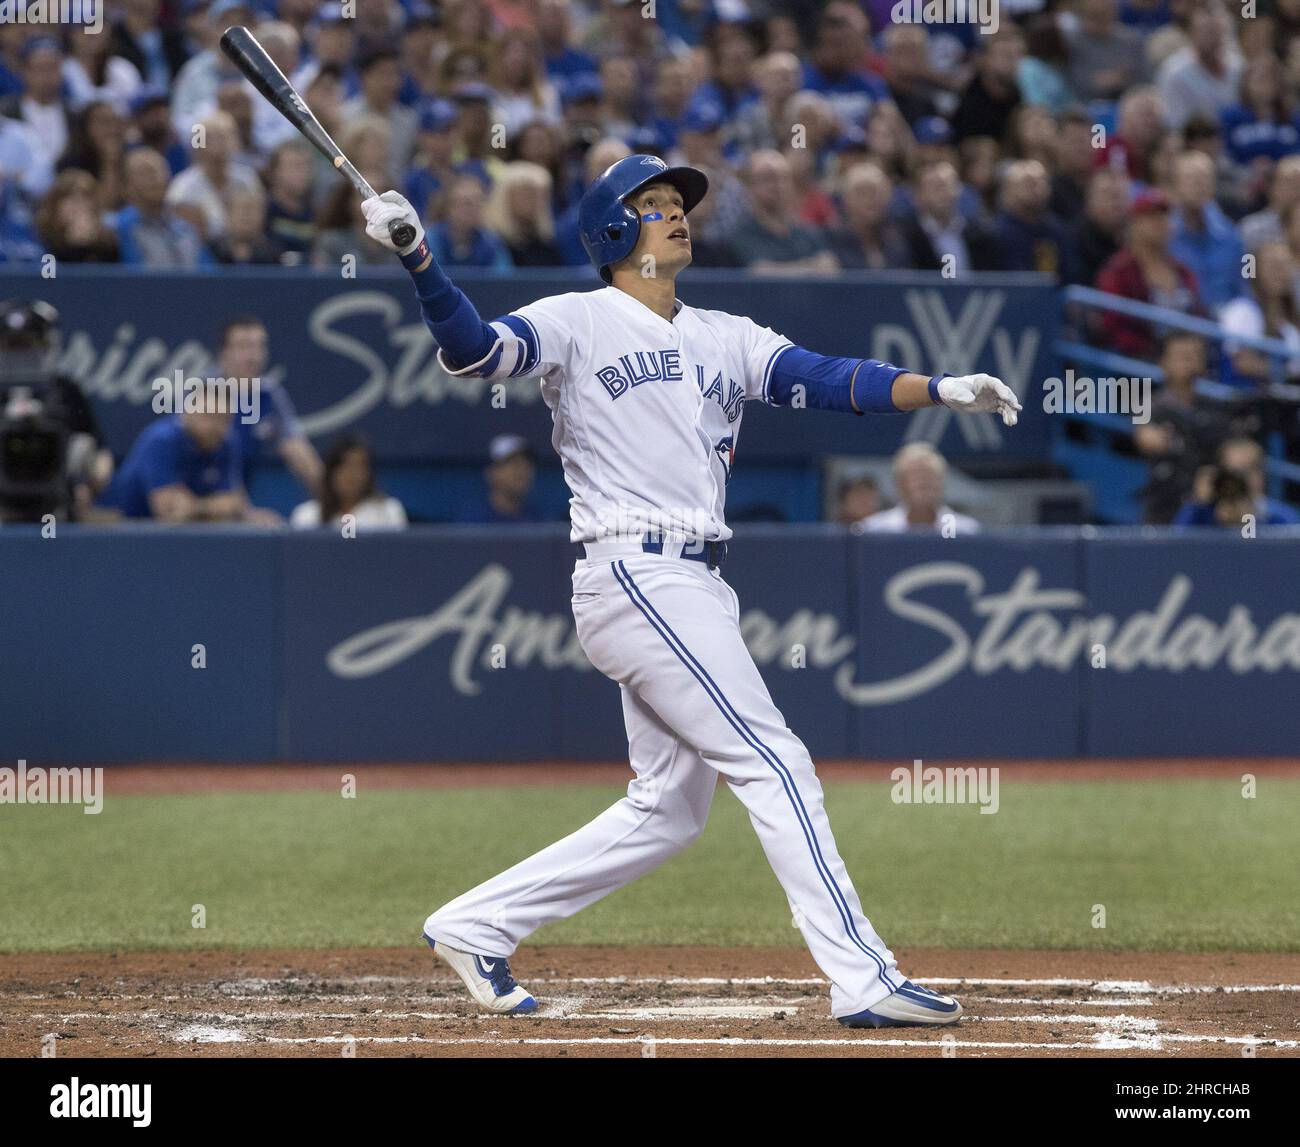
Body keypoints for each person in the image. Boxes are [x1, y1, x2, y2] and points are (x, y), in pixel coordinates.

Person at [360, 151, 1020, 1026]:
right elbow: (477, 351)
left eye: (679, 204)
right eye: (656, 204)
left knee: (668, 810)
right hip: (634, 569)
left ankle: (476, 923)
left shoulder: (725, 333)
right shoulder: (578, 318)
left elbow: (827, 378)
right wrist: (418, 257)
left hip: (694, 581)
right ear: (613, 230)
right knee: (776, 758)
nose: (677, 215)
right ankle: (863, 977)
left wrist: (939, 388)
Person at [1133, 331, 1234, 522]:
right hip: (1165, 507)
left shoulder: (1215, 409)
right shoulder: (1150, 404)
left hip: (1209, 508)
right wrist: (1162, 439)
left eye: (1196, 355)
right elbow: (1146, 437)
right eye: (1182, 356)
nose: (1190, 362)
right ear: (1164, 362)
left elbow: (1229, 450)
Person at [290, 434, 406, 530]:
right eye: (344, 466)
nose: (351, 474)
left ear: (369, 474)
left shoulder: (388, 512)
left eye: (359, 467)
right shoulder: (306, 515)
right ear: (331, 472)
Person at [859, 443, 981, 535]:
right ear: (900, 484)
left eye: (929, 476)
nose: (923, 483)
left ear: (941, 483)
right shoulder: (874, 530)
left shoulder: (966, 530)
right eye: (916, 477)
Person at [456, 433, 545, 523]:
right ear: (491, 472)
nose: (521, 470)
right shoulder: (473, 522)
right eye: (513, 463)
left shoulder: (539, 520)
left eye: (527, 464)